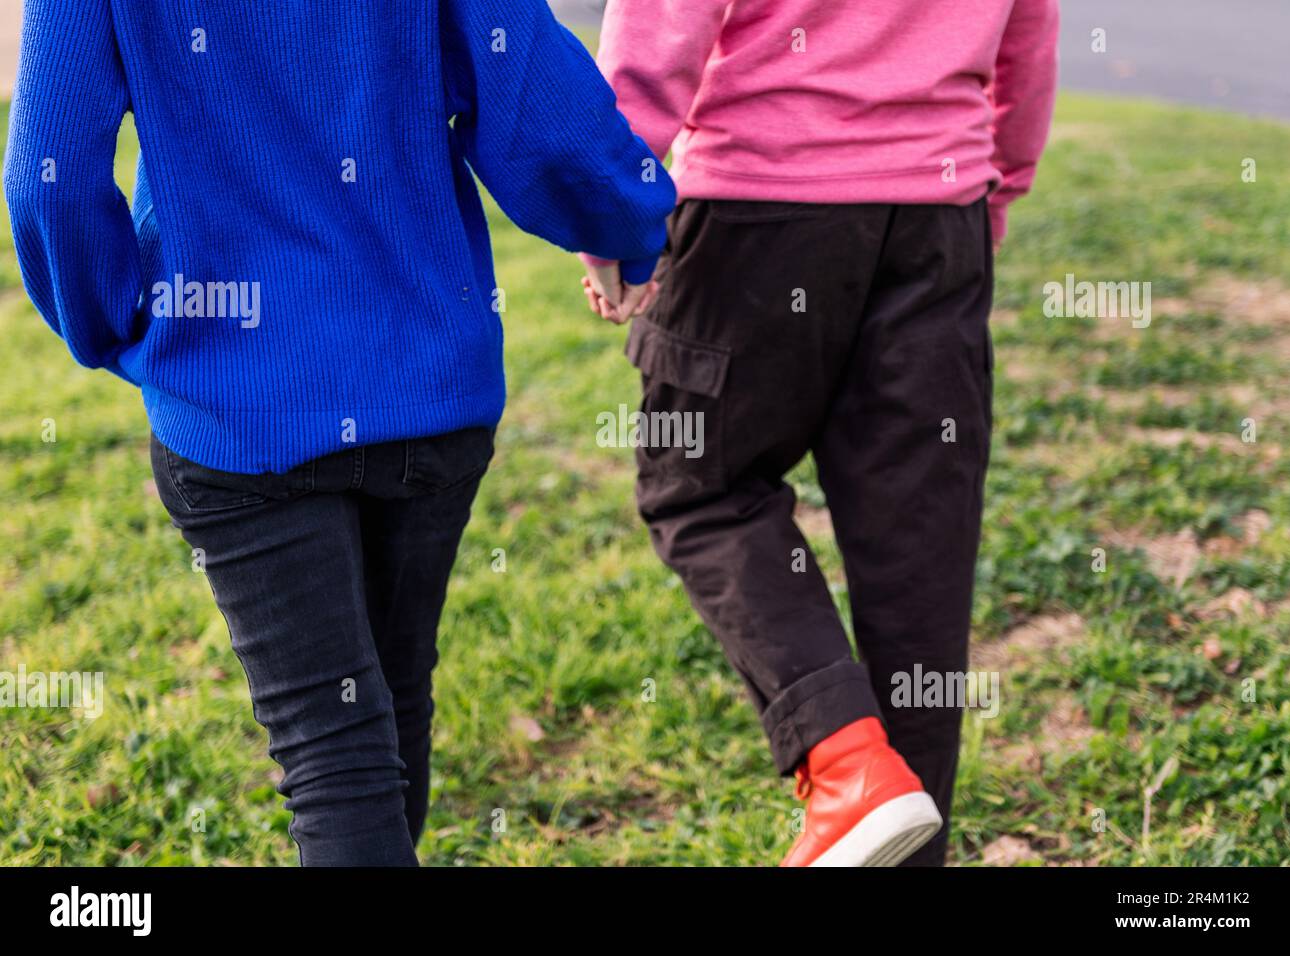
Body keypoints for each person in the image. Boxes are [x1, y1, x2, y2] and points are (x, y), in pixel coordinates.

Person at [5, 0, 674, 866]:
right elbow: (531, 90)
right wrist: (625, 225)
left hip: (236, 403)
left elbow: (46, 177)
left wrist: (112, 324)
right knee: (391, 706)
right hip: (429, 379)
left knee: (338, 755)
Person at [580, 0, 1059, 866]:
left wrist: (616, 204)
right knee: (921, 554)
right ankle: (902, 842)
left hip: (759, 211)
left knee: (703, 491)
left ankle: (847, 765)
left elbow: (665, 22)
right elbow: (1028, 33)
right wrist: (999, 183)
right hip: (937, 216)